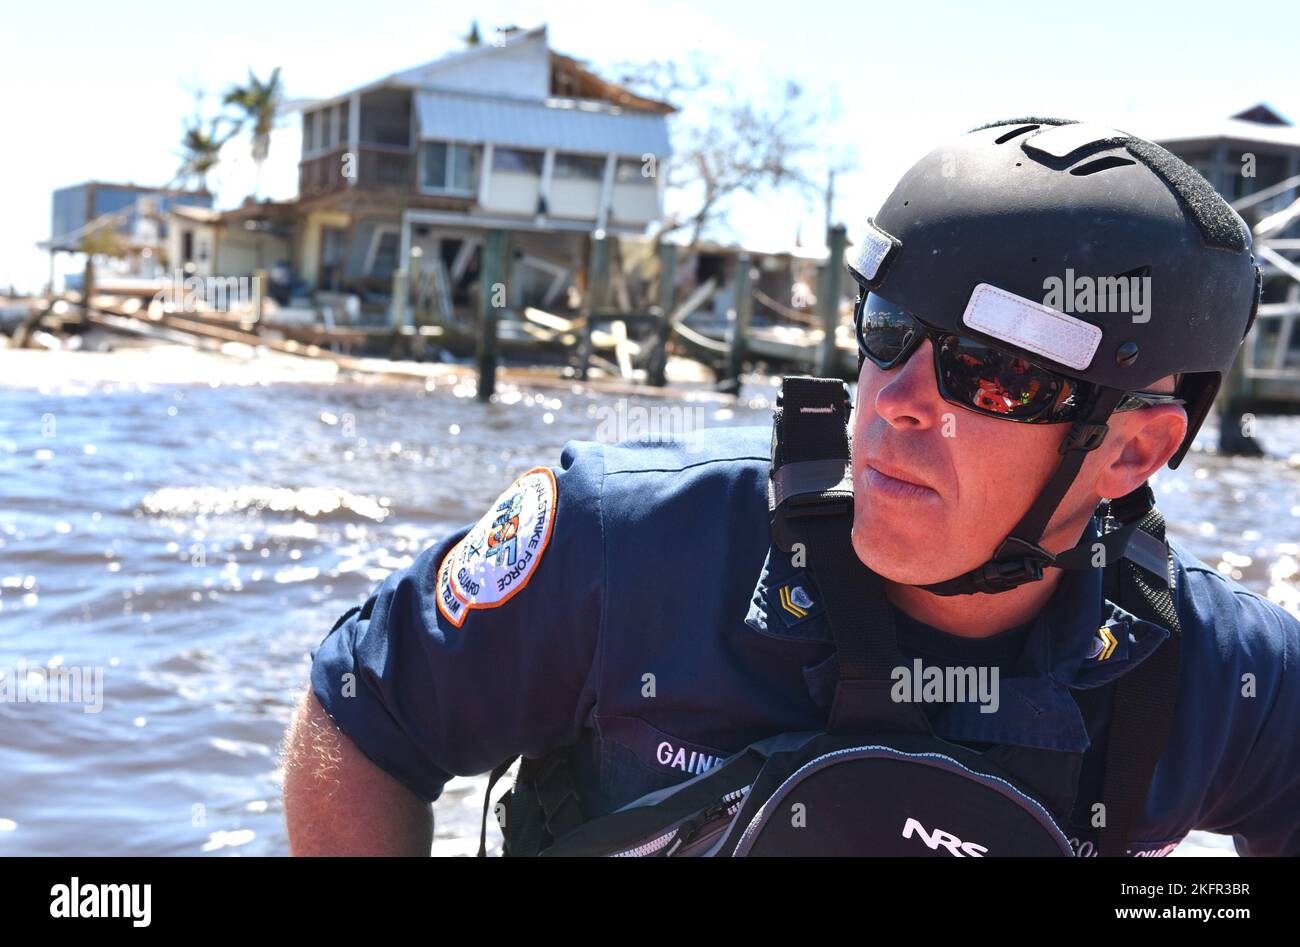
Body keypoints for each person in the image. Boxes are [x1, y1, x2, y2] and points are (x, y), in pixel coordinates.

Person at [282, 118, 1300, 857]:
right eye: (887, 332)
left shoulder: (1222, 680)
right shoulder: (630, 547)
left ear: (1128, 452)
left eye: (992, 371)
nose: (893, 400)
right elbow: (366, 715)